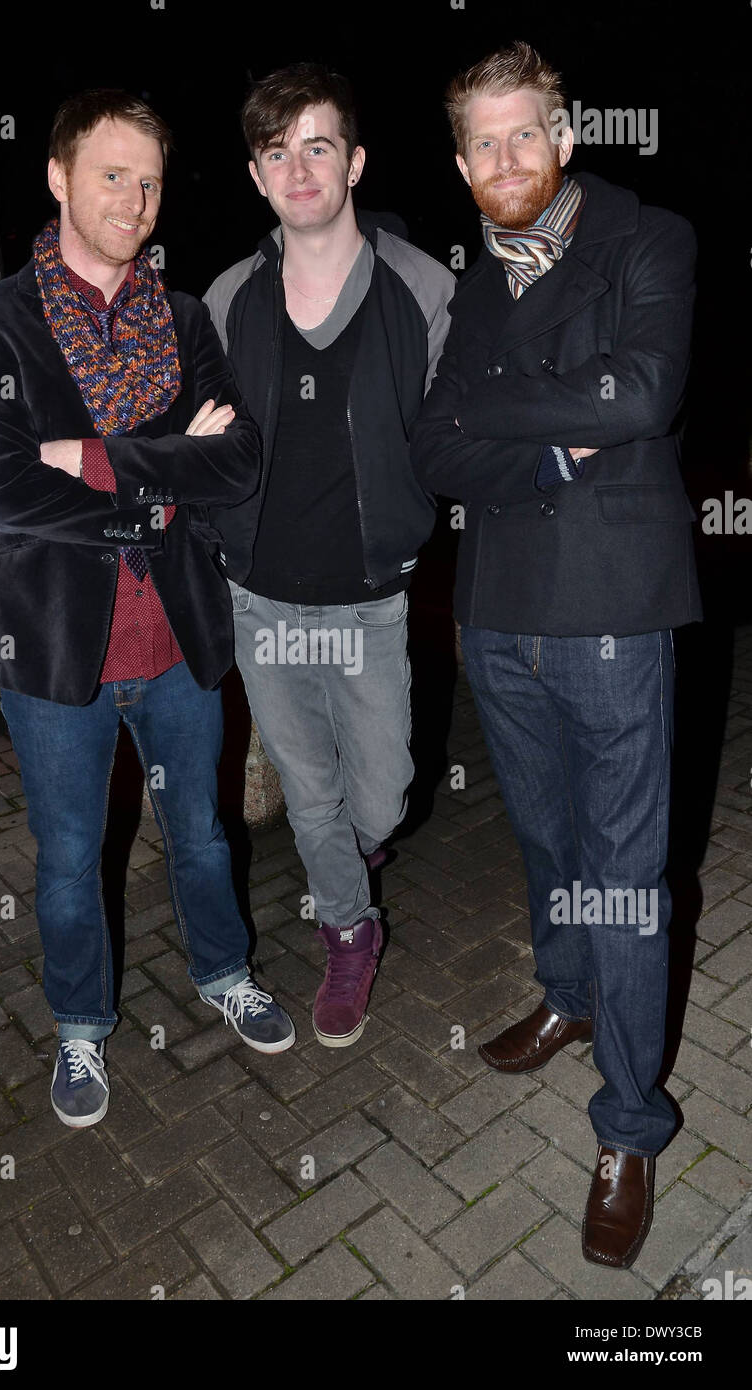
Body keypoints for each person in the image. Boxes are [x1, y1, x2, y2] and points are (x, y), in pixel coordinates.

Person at [0, 89, 295, 1130]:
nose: (134, 199)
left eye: (148, 180)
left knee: (201, 831)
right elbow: (6, 494)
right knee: (66, 858)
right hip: (53, 649)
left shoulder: (182, 320)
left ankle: (223, 971)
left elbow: (236, 461)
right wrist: (167, 471)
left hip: (177, 634)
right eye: (111, 173)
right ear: (57, 178)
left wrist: (96, 459)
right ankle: (82, 1028)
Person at [411, 41, 700, 1267]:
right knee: (544, 840)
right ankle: (570, 999)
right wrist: (540, 431)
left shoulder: (648, 240)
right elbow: (435, 448)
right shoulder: (473, 285)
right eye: (480, 142)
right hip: (499, 615)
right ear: (462, 164)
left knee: (625, 872)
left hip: (611, 608)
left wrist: (497, 410)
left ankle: (629, 1123)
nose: (502, 159)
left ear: (565, 135)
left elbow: (637, 396)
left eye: (522, 132)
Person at [204, 63, 455, 1048]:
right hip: (261, 597)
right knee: (310, 794)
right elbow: (211, 440)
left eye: (317, 145)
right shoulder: (228, 296)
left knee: (385, 793)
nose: (298, 166)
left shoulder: (422, 284)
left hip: (367, 598)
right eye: (277, 151)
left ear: (353, 161)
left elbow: (451, 428)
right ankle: (348, 928)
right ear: (257, 177)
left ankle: (352, 858)